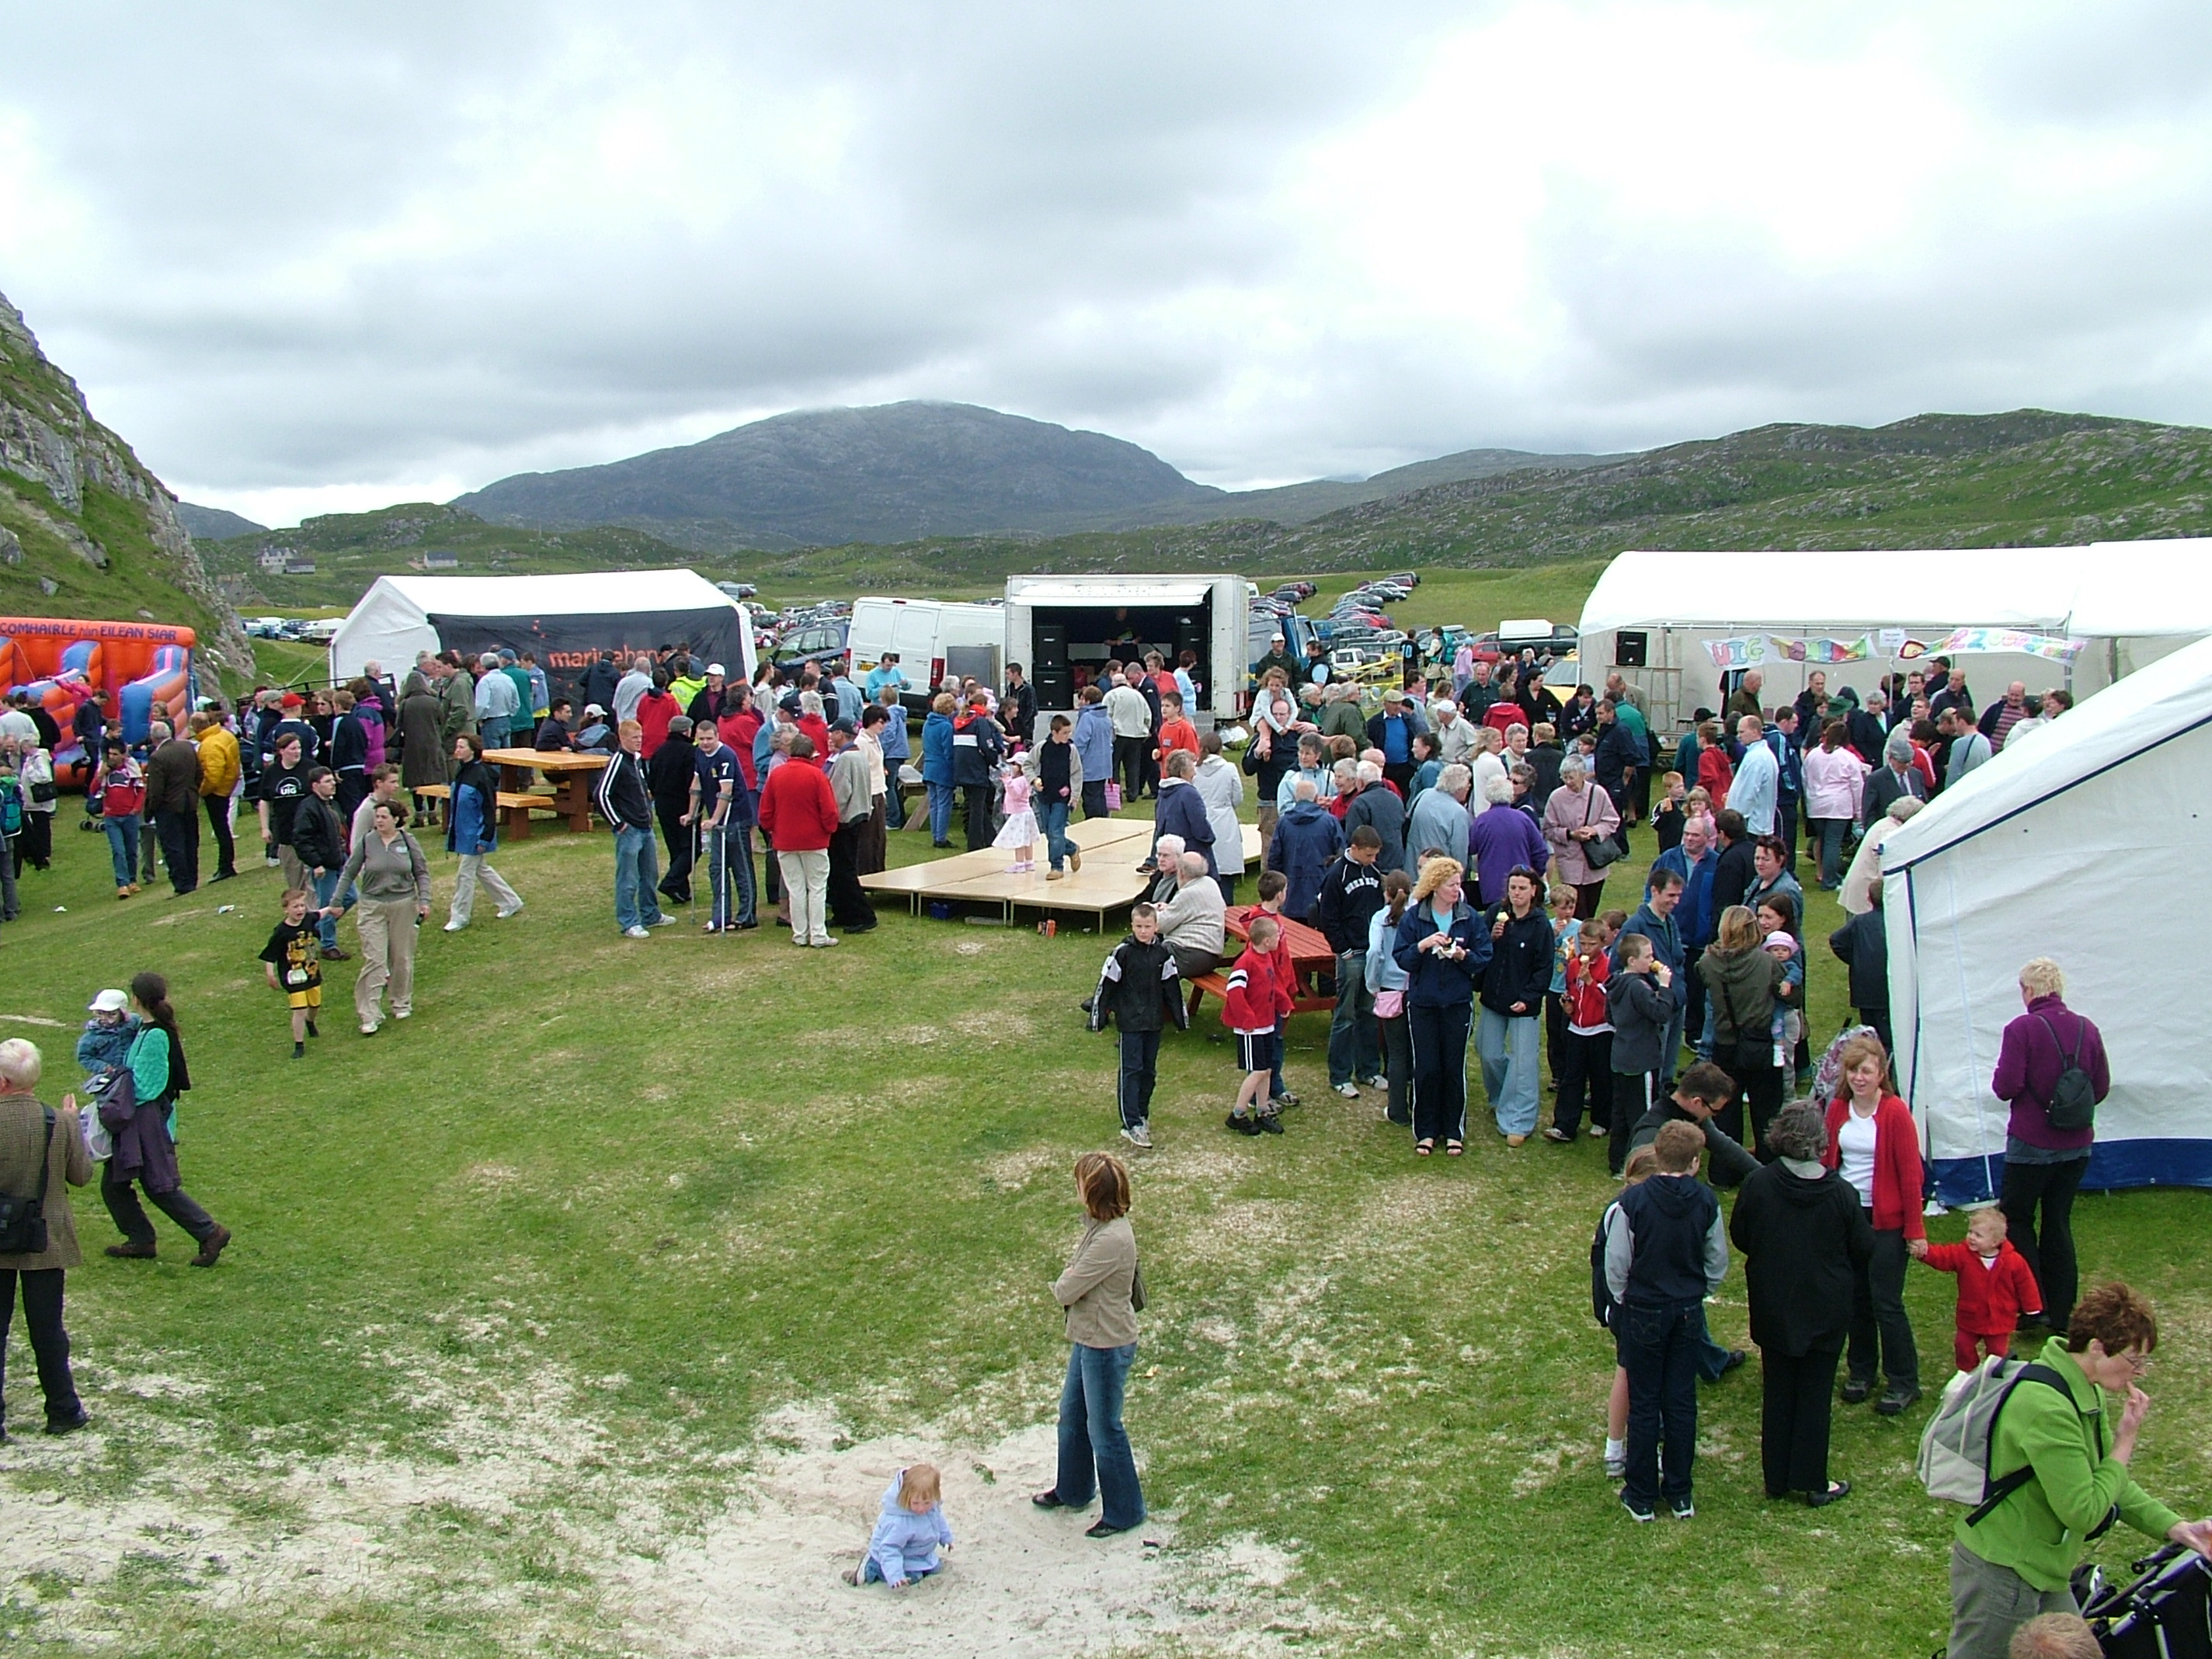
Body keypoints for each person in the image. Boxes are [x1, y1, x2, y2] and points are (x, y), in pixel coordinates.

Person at [1946, 1282, 2212, 1659]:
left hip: (2044, 1569)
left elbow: (2108, 1480)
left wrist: (2176, 1527)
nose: (2140, 1372)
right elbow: (2084, 1511)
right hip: (2003, 1572)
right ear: (2097, 1348)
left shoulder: (2085, 1388)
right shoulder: (2047, 1408)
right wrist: (2125, 1441)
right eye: (2134, 1360)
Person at [1729, 1099, 1872, 1508]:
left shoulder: (1758, 1184)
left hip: (1773, 1304)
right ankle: (1811, 1480)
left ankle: (1776, 1478)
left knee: (1778, 1390)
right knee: (1815, 1392)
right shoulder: (1841, 1194)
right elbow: (1863, 1247)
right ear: (1821, 1143)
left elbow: (1741, 1234)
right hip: (1825, 1306)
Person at [1605, 1119, 1728, 1522]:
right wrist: (1700, 1290)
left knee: (1644, 1402)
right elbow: (1716, 1259)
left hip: (1643, 1309)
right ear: (1695, 1162)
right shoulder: (1706, 1201)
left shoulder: (1633, 1202)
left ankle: (1641, 1495)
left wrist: (1625, 1298)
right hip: (1687, 1310)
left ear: (1657, 1156)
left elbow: (1617, 1261)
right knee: (1680, 1400)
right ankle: (1679, 1492)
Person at [1992, 958, 2106, 1337]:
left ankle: (2032, 1304)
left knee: (2017, 1218)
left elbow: (2006, 1086)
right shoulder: (2087, 1029)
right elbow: (2100, 1087)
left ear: (2028, 991)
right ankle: (2062, 1311)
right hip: (2076, 1144)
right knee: (2058, 1220)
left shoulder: (2021, 1029)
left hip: (2031, 1141)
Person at [1035, 1152, 1146, 1537]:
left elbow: (1066, 1289)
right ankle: (1074, 1489)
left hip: (1106, 1344)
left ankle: (1125, 1511)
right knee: (1072, 1415)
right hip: (1091, 1337)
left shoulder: (1110, 1239)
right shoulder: (1104, 1226)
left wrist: (1066, 1277)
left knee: (1104, 1428)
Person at [1821, 1035, 1924, 1414]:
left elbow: (1911, 1176)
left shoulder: (1895, 1113)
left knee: (1886, 1301)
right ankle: (1861, 1370)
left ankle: (1903, 1380)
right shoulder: (1837, 1108)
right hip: (1849, 1217)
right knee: (1855, 1298)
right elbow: (1828, 1162)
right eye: (1853, 1071)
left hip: (1887, 1221)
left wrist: (1914, 1230)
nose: (1859, 1078)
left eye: (1866, 1071)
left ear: (1881, 1074)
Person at [99, 974, 229, 1267]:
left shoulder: (156, 1035)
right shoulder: (146, 1029)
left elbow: (149, 1087)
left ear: (136, 999)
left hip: (149, 1124)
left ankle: (209, 1232)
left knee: (158, 1185)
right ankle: (142, 1238)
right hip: (138, 1122)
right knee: (116, 1184)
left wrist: (114, 1093)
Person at [0, 1038, 92, 1436]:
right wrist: (73, 1126)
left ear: (3, 1082)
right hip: (47, 1238)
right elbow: (81, 1176)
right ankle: (63, 1409)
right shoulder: (59, 1121)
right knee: (49, 1330)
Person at [1391, 857, 1490, 1156]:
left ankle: (1453, 1130)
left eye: (1459, 884)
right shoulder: (1415, 918)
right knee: (1427, 1067)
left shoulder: (1469, 917)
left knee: (1453, 1067)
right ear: (1435, 886)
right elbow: (1402, 958)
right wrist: (1422, 946)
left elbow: (1484, 956)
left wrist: (1462, 956)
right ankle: (1426, 1130)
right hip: (1424, 1003)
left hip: (1457, 1003)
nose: (1457, 890)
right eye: (1451, 885)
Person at [1088, 903, 1187, 1149]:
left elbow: (1172, 986)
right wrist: (1098, 1018)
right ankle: (1131, 1123)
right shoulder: (1121, 953)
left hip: (1153, 1022)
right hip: (1130, 1023)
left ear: (1156, 927)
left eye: (1148, 926)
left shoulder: (1163, 954)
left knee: (1148, 1072)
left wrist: (1179, 1018)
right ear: (1132, 926)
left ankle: (1142, 1113)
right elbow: (1105, 986)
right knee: (1131, 1071)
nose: (1143, 931)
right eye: (1139, 926)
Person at [328, 799, 431, 1035]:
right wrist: (336, 901)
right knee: (375, 959)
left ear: (396, 819)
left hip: (404, 905)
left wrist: (425, 900)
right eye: (377, 817)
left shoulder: (408, 841)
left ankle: (401, 1001)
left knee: (401, 957)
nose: (379, 821)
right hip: (372, 906)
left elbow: (421, 872)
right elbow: (349, 872)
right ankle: (369, 1013)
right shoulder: (368, 841)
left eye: (384, 817)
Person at [1911, 1208, 2043, 1373]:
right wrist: (1925, 1253)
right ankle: (1968, 1371)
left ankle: (1995, 1375)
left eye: (1978, 1235)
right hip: (1970, 1316)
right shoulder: (1962, 1254)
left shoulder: (2014, 1261)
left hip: (2000, 1318)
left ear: (1995, 1242)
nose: (1972, 1238)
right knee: (1963, 1345)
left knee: (1997, 1351)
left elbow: (2026, 1285)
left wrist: (2032, 1307)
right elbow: (1943, 1256)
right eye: (1970, 1232)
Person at [1477, 868, 1550, 1146]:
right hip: (1494, 997)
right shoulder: (1496, 913)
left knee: (1523, 1063)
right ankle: (1500, 1098)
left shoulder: (1540, 925)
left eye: (1522, 888)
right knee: (1488, 1053)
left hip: (1523, 1003)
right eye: (1513, 888)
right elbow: (1478, 947)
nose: (1517, 893)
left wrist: (1529, 998)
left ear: (1534, 891)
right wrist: (1491, 938)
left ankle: (1519, 1121)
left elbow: (1544, 967)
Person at [1313, 825, 1386, 1100]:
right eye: (1369, 855)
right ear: (1354, 848)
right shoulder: (1336, 875)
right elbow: (1327, 916)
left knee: (1369, 1011)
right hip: (1351, 955)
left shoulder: (1374, 873)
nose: (1373, 860)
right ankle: (1340, 1075)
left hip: (1371, 952)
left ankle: (1369, 1070)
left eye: (1375, 855)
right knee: (1345, 1015)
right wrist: (1343, 949)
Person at [757, 730, 840, 948]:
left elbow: (765, 812)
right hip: (814, 840)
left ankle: (800, 933)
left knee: (795, 888)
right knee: (817, 888)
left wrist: (773, 829)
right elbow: (829, 811)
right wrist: (828, 830)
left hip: (785, 840)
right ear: (811, 753)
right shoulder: (817, 776)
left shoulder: (777, 775)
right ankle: (818, 934)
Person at [1605, 934, 1678, 1177]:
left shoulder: (1615, 982)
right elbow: (1661, 1013)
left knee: (1620, 1111)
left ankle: (1617, 1161)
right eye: (1648, 956)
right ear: (1632, 960)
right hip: (1641, 1059)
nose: (1652, 960)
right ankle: (1642, 1165)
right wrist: (1665, 987)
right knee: (1643, 1115)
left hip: (1620, 1055)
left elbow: (1609, 1017)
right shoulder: (1638, 986)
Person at [595, 720, 672, 939]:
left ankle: (651, 914)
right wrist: (618, 823)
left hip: (645, 827)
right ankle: (629, 921)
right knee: (628, 878)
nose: (639, 741)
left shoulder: (636, 761)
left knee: (650, 874)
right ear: (622, 739)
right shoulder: (618, 762)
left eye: (640, 737)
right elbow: (601, 795)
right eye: (634, 738)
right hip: (630, 830)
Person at [1222, 914, 1295, 1136]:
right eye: (1277, 936)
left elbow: (1273, 985)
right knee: (1258, 1071)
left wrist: (1283, 1002)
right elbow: (1234, 992)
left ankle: (1263, 1112)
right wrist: (1247, 1019)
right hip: (1251, 1028)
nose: (1279, 939)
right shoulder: (1246, 962)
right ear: (1266, 941)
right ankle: (1238, 1114)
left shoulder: (1267, 958)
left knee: (1267, 1070)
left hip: (1267, 1023)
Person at [1548, 912, 1614, 1143]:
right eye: (1583, 943)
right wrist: (1569, 1005)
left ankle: (1602, 1120)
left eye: (1591, 944)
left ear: (1603, 943)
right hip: (1577, 1028)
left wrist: (1591, 983)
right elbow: (1572, 990)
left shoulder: (1608, 966)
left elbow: (1609, 1000)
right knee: (1572, 1077)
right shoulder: (1574, 964)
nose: (1586, 948)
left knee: (1600, 1077)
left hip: (1601, 1029)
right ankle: (1564, 1125)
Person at [687, 718, 754, 934]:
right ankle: (720, 916)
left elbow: (726, 791)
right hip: (717, 819)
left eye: (709, 738)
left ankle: (747, 915)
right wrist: (691, 813)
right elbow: (696, 785)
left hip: (735, 818)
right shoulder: (699, 754)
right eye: (701, 739)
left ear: (717, 736)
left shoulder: (725, 755)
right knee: (716, 867)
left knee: (741, 867)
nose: (705, 743)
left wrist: (715, 819)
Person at [841, 1464, 955, 1588]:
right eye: (916, 1503)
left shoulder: (932, 1508)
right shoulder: (899, 1523)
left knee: (936, 1568)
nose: (921, 1508)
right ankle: (869, 1569)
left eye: (926, 1502)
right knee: (913, 1578)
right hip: (892, 1556)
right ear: (906, 1497)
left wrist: (946, 1539)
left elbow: (939, 1521)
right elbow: (890, 1548)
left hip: (918, 1553)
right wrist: (896, 1576)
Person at [1542, 754, 1619, 921]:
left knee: (1591, 908)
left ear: (1583, 775)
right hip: (1569, 862)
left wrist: (1594, 830)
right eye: (1564, 777)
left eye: (1571, 777)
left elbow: (1612, 820)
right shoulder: (1556, 797)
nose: (1568, 782)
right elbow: (1548, 830)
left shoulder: (1598, 793)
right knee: (1578, 911)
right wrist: (1570, 834)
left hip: (1595, 862)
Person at [1366, 871, 1415, 1128]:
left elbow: (1374, 951)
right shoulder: (1417, 916)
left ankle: (1398, 1111)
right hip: (1415, 988)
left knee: (1396, 1053)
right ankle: (1419, 1105)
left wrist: (1372, 982)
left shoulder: (1380, 919)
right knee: (1417, 1051)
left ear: (1386, 892)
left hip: (1389, 989)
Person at [825, 723, 880, 932]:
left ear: (841, 734)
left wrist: (830, 818)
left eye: (832, 733)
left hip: (845, 820)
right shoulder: (858, 755)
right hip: (858, 815)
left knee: (843, 871)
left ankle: (864, 915)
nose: (830, 737)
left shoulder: (846, 759)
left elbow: (839, 793)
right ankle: (843, 913)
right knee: (840, 870)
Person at [290, 767, 350, 960]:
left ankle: (316, 926)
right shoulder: (308, 808)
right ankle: (328, 945)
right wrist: (316, 863)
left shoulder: (332, 804)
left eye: (333, 780)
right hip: (324, 865)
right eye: (327, 781)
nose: (333, 784)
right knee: (329, 904)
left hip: (339, 859)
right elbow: (301, 839)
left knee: (351, 896)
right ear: (315, 786)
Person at [1265, 776, 1342, 920]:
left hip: (1291, 892)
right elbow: (1340, 854)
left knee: (1293, 932)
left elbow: (1274, 858)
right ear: (1316, 797)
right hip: (1321, 890)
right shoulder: (1330, 821)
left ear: (1295, 797)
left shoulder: (1284, 823)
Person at [260, 889, 325, 1057]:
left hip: (311, 972)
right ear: (286, 909)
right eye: (295, 906)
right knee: (300, 1009)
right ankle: (299, 1044)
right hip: (293, 977)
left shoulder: (308, 919)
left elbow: (320, 914)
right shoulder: (281, 932)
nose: (300, 909)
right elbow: (270, 955)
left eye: (302, 905)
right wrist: (270, 975)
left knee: (315, 1005)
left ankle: (310, 1022)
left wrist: (333, 909)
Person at [1828, 890, 1891, 1055]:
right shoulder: (1895, 921)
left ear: (1869, 898)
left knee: (1870, 1032)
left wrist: (1857, 961)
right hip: (1886, 987)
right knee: (1887, 1035)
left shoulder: (1860, 922)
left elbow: (1836, 940)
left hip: (1864, 988)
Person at [144, 719, 202, 895]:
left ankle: (181, 882)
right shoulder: (187, 747)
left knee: (173, 846)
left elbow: (156, 790)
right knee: (190, 842)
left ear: (153, 738)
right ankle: (192, 877)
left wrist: (150, 810)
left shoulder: (157, 757)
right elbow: (199, 773)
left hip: (168, 807)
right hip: (189, 801)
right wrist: (193, 791)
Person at [646, 714, 699, 906]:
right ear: (687, 731)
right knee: (692, 848)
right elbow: (692, 781)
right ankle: (671, 882)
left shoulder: (659, 751)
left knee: (675, 848)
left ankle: (682, 890)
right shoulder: (690, 752)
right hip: (683, 804)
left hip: (663, 804)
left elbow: (651, 780)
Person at [1154, 850, 1226, 982]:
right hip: (1210, 955)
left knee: (1146, 961)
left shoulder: (1187, 893)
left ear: (1181, 872)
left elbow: (1160, 925)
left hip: (1189, 954)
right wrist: (1169, 908)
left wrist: (1151, 910)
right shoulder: (1210, 883)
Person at [189, 710, 240, 882]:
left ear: (196, 727)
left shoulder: (209, 745)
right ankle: (226, 864)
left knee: (221, 829)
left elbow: (213, 774)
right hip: (228, 785)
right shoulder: (225, 735)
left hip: (217, 791)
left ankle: (226, 865)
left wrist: (202, 791)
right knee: (223, 827)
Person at [92, 739, 147, 898]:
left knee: (131, 850)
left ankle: (132, 880)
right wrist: (101, 775)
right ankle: (122, 883)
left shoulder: (131, 768)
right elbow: (93, 790)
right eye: (110, 754)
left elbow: (140, 789)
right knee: (118, 850)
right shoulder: (103, 769)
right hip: (112, 817)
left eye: (115, 754)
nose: (112, 757)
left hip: (129, 816)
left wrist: (136, 808)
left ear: (123, 755)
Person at [952, 693, 1006, 852]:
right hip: (976, 770)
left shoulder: (960, 720)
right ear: (982, 705)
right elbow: (986, 746)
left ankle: (991, 838)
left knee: (977, 805)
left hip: (962, 769)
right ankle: (975, 845)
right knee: (977, 809)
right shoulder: (980, 722)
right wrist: (995, 761)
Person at [1404, 762, 1470, 877]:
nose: (1469, 787)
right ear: (1459, 789)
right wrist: (1459, 876)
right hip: (1439, 873)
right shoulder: (1458, 813)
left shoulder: (1424, 794)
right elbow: (1459, 851)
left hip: (1413, 865)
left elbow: (1408, 819)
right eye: (1467, 785)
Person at [920, 691, 958, 847]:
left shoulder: (927, 724)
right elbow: (949, 751)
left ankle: (936, 836)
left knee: (934, 803)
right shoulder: (946, 727)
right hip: (942, 768)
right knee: (944, 804)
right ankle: (941, 838)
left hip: (929, 766)